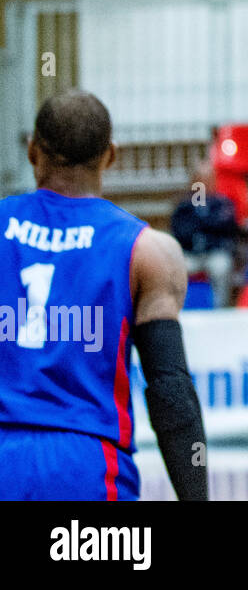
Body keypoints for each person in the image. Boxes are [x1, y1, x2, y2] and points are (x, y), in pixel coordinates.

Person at [0, 91, 208, 500]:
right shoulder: (148, 251)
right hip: (88, 467)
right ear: (110, 155)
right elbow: (171, 394)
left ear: (31, 151)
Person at [170, 160, 238, 308]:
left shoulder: (223, 203)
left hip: (214, 253)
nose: (204, 183)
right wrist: (204, 219)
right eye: (200, 179)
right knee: (175, 269)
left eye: (207, 179)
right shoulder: (184, 205)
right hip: (190, 254)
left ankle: (220, 310)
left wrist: (202, 220)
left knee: (221, 267)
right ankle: (177, 310)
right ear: (194, 181)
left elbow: (227, 227)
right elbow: (180, 231)